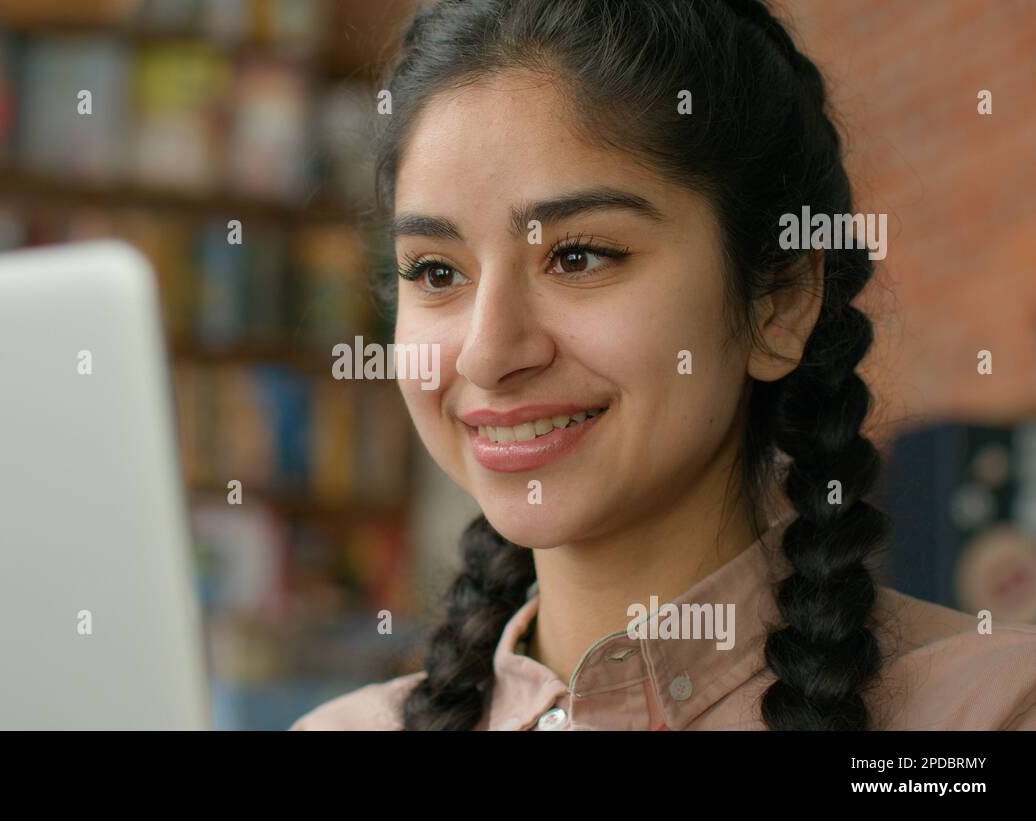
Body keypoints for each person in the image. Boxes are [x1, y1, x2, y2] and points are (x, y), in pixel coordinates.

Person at [291, 0, 1036, 730]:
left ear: (778, 301)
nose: (487, 352)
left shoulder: (987, 713)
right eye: (435, 272)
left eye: (577, 256)